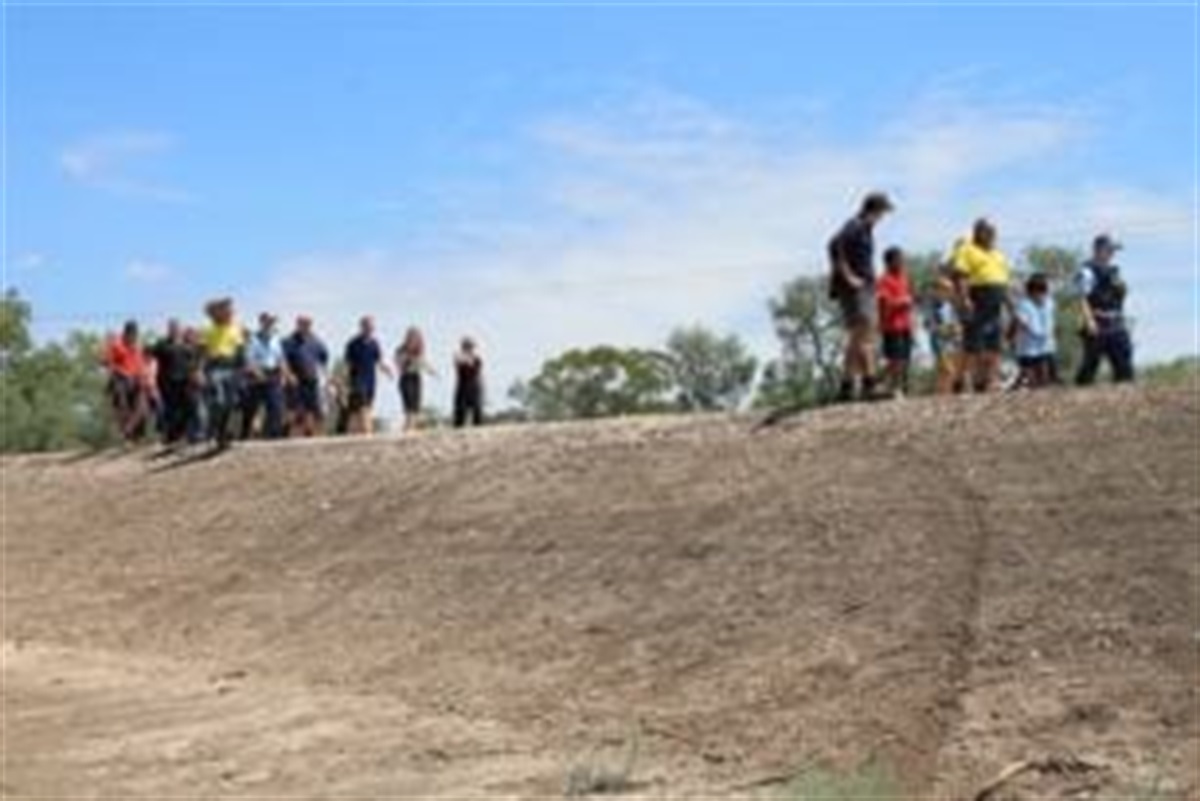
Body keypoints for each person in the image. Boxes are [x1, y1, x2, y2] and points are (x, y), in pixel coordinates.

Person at [827, 191, 894, 402]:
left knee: (858, 337)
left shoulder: (865, 229)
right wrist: (849, 277)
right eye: (883, 212)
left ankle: (847, 387)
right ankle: (869, 384)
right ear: (874, 210)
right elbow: (833, 246)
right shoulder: (855, 226)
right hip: (856, 290)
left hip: (864, 288)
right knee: (864, 335)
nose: (883, 217)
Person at [952, 218, 1012, 393]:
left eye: (994, 231)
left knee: (994, 344)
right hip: (977, 299)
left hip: (996, 304)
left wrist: (1011, 306)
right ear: (979, 232)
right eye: (989, 231)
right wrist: (965, 299)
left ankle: (988, 381)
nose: (993, 234)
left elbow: (1003, 282)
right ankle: (965, 380)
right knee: (974, 345)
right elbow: (961, 276)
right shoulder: (968, 249)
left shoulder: (998, 255)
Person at [1075, 234, 1135, 385]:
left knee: (1124, 359)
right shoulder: (1086, 271)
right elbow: (1082, 297)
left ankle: (1125, 389)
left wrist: (1122, 289)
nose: (1112, 253)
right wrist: (1089, 321)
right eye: (1109, 249)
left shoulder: (1114, 272)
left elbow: (1119, 296)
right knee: (1091, 363)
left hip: (1115, 321)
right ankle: (1080, 392)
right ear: (1098, 250)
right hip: (1097, 321)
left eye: (1113, 250)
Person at [200, 297, 246, 449]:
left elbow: (240, 352)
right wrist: (199, 371)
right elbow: (201, 353)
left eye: (230, 310)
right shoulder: (207, 330)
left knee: (231, 403)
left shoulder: (236, 329)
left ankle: (222, 434)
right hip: (214, 369)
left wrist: (242, 371)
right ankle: (213, 432)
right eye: (226, 310)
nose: (230, 312)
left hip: (232, 369)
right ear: (217, 313)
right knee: (218, 402)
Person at [151, 319, 201, 446]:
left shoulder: (185, 345)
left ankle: (187, 434)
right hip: (167, 382)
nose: (174, 330)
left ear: (179, 330)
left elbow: (194, 360)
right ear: (168, 330)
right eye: (172, 328)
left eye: (176, 328)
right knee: (171, 409)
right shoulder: (162, 344)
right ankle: (171, 436)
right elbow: (150, 355)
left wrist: (196, 373)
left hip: (184, 381)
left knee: (188, 406)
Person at [242, 312, 289, 439]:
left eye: (272, 322)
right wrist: (257, 373)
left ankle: (272, 435)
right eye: (268, 322)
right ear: (261, 322)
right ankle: (245, 434)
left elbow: (280, 358)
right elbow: (249, 360)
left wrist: (285, 373)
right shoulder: (253, 339)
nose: (270, 324)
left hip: (273, 374)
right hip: (256, 375)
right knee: (251, 408)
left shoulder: (276, 339)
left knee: (276, 406)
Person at [343, 316, 392, 435]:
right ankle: (368, 434)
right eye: (367, 326)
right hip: (357, 380)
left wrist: (387, 370)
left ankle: (352, 434)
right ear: (362, 326)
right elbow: (347, 364)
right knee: (362, 408)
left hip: (371, 380)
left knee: (357, 411)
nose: (369, 328)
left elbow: (379, 361)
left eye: (371, 326)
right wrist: (344, 381)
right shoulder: (353, 344)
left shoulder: (374, 344)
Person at [283, 315, 330, 438]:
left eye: (308, 324)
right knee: (295, 411)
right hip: (295, 381)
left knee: (313, 411)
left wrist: (328, 380)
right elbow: (283, 361)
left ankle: (311, 437)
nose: (306, 326)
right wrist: (289, 375)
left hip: (312, 380)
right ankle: (290, 438)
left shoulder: (316, 341)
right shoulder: (289, 341)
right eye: (303, 323)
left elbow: (324, 360)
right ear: (298, 324)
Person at [102, 320, 149, 443]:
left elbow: (141, 364)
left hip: (136, 379)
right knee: (122, 405)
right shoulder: (116, 344)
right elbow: (107, 362)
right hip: (121, 379)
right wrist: (120, 371)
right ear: (126, 333)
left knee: (142, 407)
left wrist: (143, 377)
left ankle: (134, 434)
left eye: (135, 334)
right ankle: (126, 434)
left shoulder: (137, 346)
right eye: (131, 334)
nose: (133, 337)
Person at [876, 246, 914, 397]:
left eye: (902, 259)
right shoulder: (883, 280)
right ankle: (894, 387)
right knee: (895, 359)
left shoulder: (905, 278)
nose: (902, 262)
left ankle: (903, 386)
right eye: (899, 259)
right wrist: (901, 302)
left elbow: (910, 298)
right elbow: (883, 303)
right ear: (889, 262)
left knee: (905, 358)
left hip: (906, 324)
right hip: (892, 326)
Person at [1012, 273, 1056, 389]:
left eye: (1043, 292)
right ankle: (1018, 386)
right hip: (1028, 348)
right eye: (1038, 292)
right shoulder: (1024, 305)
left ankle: (1041, 385)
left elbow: (1050, 321)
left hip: (1045, 346)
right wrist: (1013, 336)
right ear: (1030, 293)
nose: (1041, 296)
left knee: (1044, 375)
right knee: (1028, 374)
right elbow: (1021, 322)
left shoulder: (1049, 303)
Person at [927, 273, 966, 396]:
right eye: (944, 289)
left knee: (947, 370)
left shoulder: (950, 307)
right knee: (947, 369)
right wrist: (949, 329)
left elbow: (956, 323)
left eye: (949, 290)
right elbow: (932, 326)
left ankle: (943, 393)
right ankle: (943, 393)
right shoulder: (933, 308)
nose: (947, 293)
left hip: (950, 343)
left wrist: (958, 329)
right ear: (936, 291)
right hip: (939, 343)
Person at [394, 327, 436, 432]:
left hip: (416, 378)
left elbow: (423, 363)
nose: (413, 340)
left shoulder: (419, 351)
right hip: (406, 378)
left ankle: (412, 429)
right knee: (409, 407)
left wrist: (431, 370)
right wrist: (409, 358)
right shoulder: (401, 350)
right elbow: (399, 364)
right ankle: (407, 430)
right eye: (411, 337)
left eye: (415, 337)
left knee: (416, 407)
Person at [453, 336, 484, 428]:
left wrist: (468, 359)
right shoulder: (458, 358)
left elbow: (476, 369)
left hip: (474, 386)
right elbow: (458, 366)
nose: (469, 349)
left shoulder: (477, 358)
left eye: (470, 347)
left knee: (477, 410)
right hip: (462, 386)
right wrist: (463, 359)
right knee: (460, 411)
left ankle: (477, 429)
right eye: (466, 347)